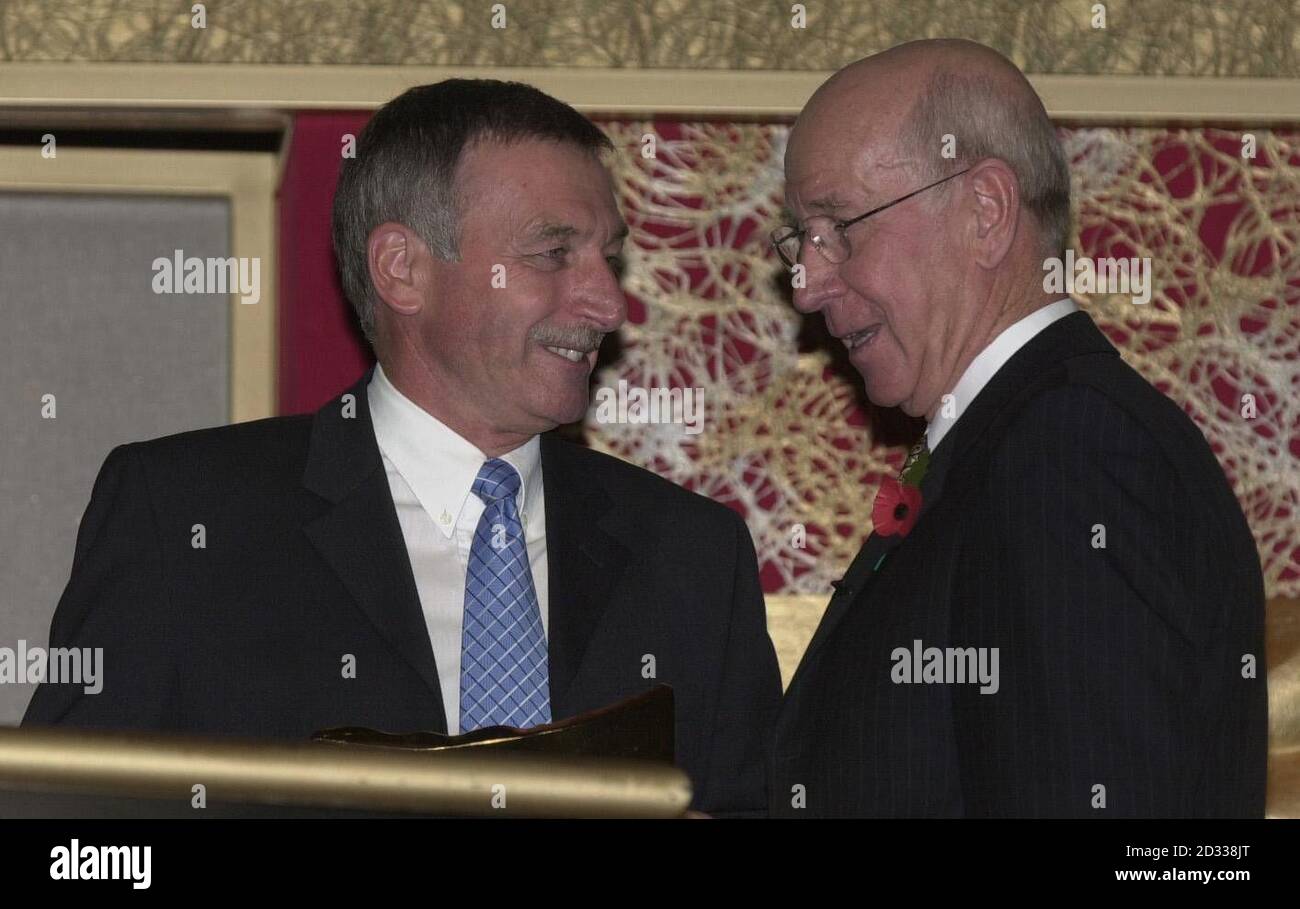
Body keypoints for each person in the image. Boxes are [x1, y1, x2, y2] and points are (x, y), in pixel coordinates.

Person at [24, 79, 782, 816]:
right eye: (554, 253)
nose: (609, 302)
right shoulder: (187, 519)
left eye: (607, 257)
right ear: (402, 269)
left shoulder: (692, 555)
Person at [768, 39, 1267, 817]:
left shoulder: (1069, 452)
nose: (807, 285)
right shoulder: (1015, 441)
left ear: (986, 212)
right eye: (801, 240)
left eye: (838, 226)